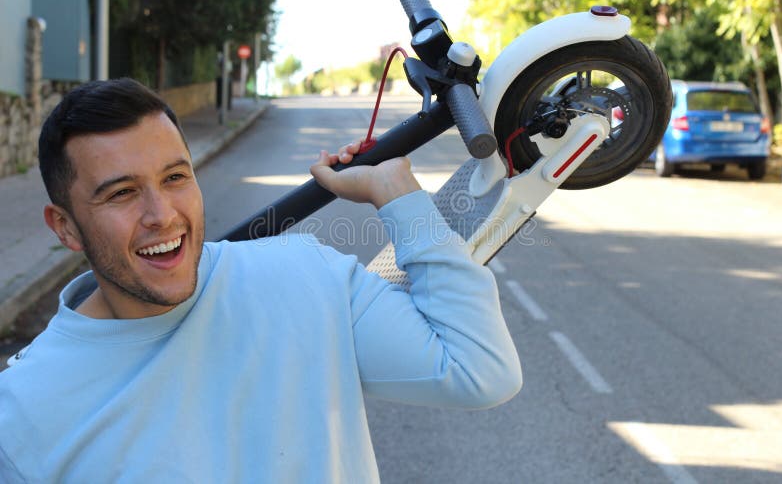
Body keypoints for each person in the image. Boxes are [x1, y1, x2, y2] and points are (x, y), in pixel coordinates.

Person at [0, 78, 521, 482]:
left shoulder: (304, 273)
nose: (162, 214)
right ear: (65, 226)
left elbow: (479, 371)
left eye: (175, 178)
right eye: (121, 193)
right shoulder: (23, 413)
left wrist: (400, 197)